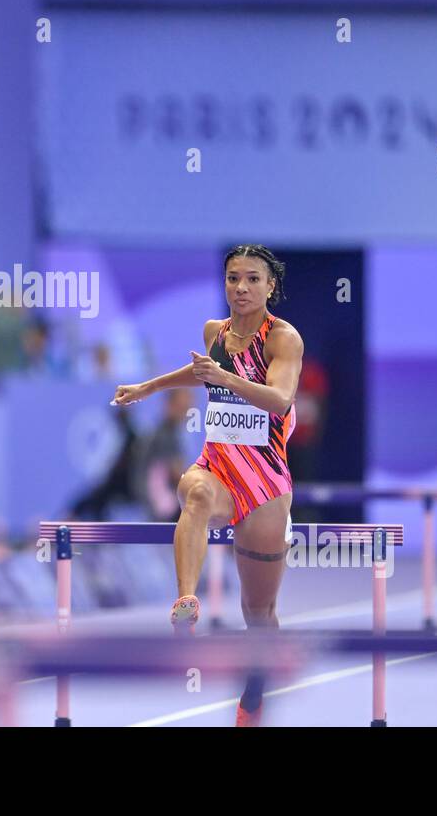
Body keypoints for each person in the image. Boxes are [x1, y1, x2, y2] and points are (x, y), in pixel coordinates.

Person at [113, 244, 302, 726]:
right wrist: (148, 387)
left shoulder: (284, 339)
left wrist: (226, 379)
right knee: (193, 495)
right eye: (233, 278)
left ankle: (255, 687)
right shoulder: (213, 332)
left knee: (258, 613)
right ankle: (186, 601)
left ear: (270, 286)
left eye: (253, 279)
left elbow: (281, 400)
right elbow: (200, 375)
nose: (241, 287)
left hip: (265, 479)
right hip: (217, 464)